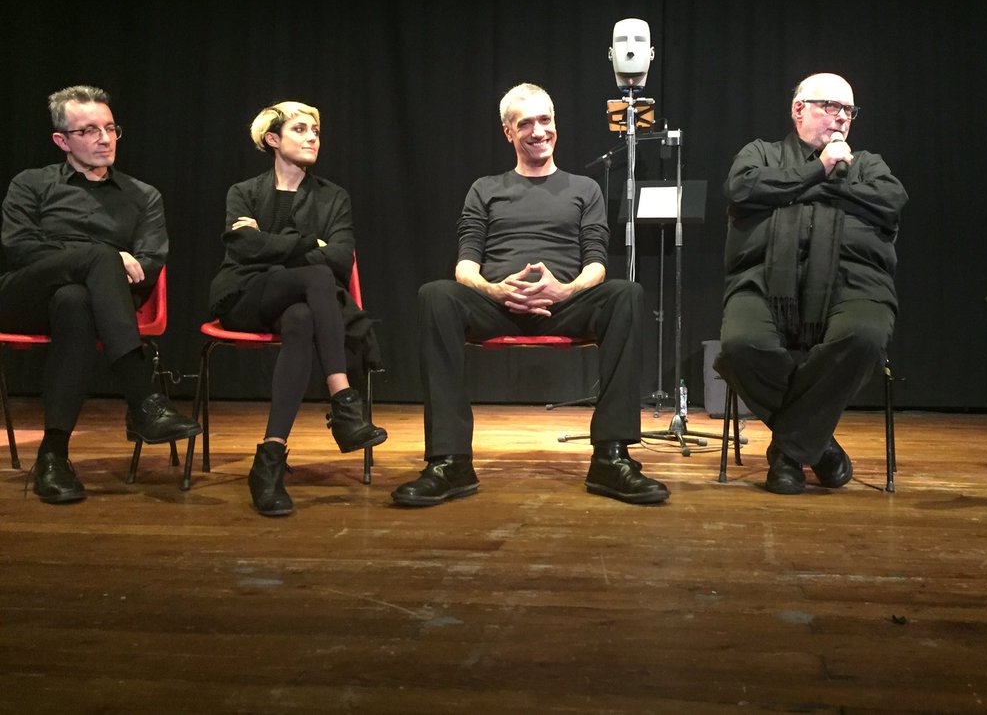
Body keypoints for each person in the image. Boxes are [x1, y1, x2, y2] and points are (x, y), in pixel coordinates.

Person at [392, 82, 668, 507]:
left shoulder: (584, 189)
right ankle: (450, 461)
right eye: (526, 124)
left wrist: (564, 290)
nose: (538, 131)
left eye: (545, 120)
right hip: (497, 306)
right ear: (508, 132)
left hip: (565, 305)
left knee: (625, 294)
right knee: (436, 295)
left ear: (555, 123)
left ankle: (611, 458)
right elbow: (465, 266)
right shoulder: (485, 188)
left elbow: (596, 264)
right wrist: (494, 289)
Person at [0, 85, 200, 503]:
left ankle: (53, 456)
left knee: (74, 301)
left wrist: (96, 265)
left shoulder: (143, 196)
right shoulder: (32, 183)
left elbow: (147, 266)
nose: (105, 139)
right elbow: (19, 248)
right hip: (24, 297)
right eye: (89, 130)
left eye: (110, 128)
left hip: (92, 305)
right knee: (99, 258)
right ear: (62, 140)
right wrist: (101, 257)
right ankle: (142, 399)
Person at [719, 73, 907, 494]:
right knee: (740, 346)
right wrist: (819, 170)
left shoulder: (868, 164)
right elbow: (741, 188)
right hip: (763, 281)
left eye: (849, 111)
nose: (842, 118)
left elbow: (892, 201)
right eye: (832, 106)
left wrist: (799, 188)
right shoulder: (761, 154)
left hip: (855, 281)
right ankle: (820, 449)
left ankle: (789, 452)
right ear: (799, 109)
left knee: (864, 337)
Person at [209, 101, 386, 516]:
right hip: (246, 296)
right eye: (300, 130)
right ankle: (343, 402)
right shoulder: (244, 192)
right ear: (273, 139)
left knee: (303, 315)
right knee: (317, 276)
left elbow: (341, 258)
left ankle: (269, 458)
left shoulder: (333, 197)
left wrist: (268, 244)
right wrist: (308, 243)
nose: (312, 138)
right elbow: (243, 250)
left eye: (316, 132)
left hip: (301, 304)